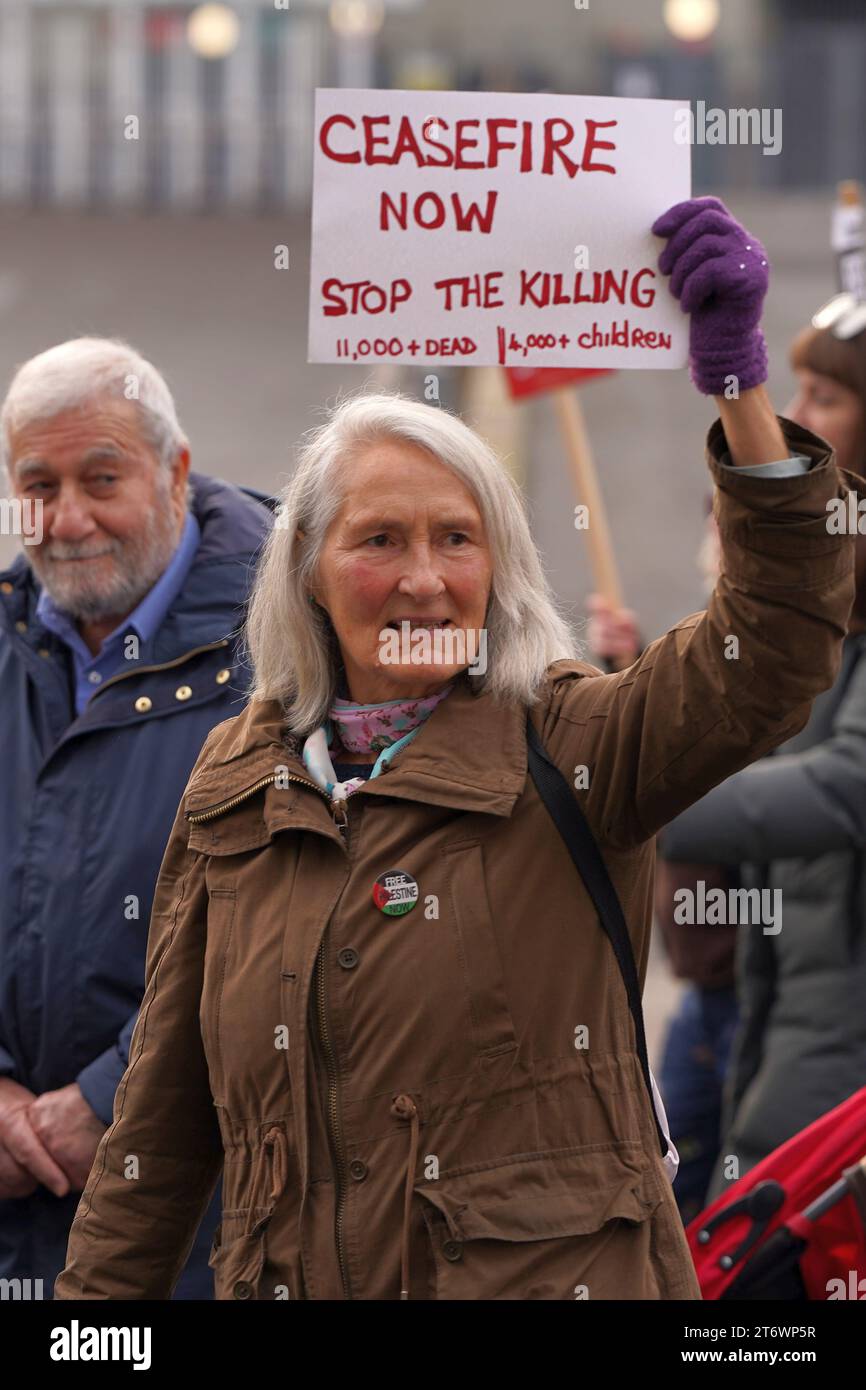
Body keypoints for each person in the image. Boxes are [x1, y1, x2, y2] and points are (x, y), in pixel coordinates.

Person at [55, 197, 856, 1302]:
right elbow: (159, 1134)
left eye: (456, 538)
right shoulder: (237, 782)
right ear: (308, 576)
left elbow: (770, 645)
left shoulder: (573, 738)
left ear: (501, 566)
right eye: (379, 540)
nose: (423, 577)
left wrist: (738, 385)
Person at [0, 337, 273, 1297]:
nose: (68, 519)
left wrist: (115, 1099)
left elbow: (294, 926)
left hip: (207, 1222)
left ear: (175, 471)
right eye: (38, 483)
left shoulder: (291, 650)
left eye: (102, 477)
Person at [657, 308, 866, 1202]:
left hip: (829, 1037)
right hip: (769, 996)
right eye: (796, 390)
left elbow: (844, 787)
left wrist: (637, 790)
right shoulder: (837, 577)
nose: (801, 416)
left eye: (825, 395)